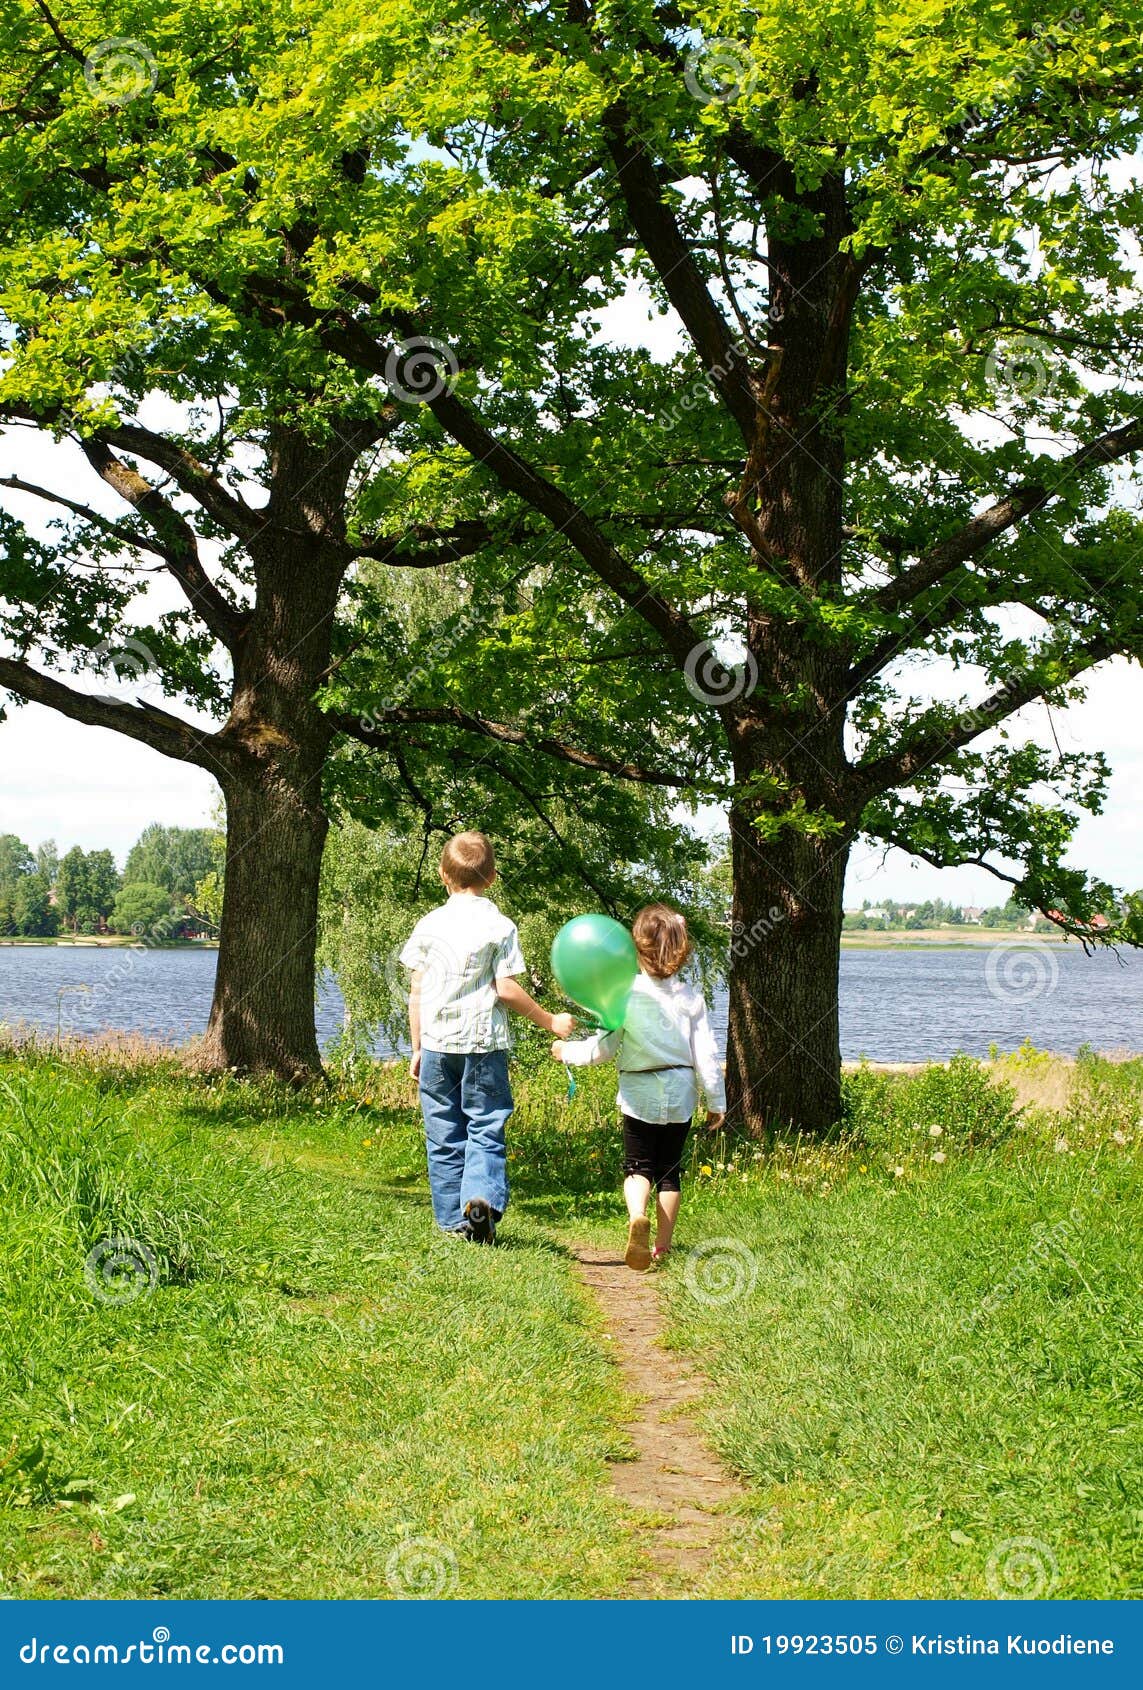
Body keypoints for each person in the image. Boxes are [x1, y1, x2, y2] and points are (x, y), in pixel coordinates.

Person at [400, 830, 576, 1244]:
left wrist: (417, 1048)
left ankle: (452, 1222)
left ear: (443, 874)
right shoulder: (500, 925)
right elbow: (506, 988)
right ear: (492, 877)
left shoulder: (429, 924)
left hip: (439, 1044)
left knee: (443, 1131)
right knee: (485, 1125)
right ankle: (479, 1196)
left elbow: (417, 992)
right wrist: (549, 1020)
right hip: (483, 1045)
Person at [552, 903, 726, 1271]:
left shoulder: (624, 994)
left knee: (638, 1166)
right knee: (669, 1172)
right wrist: (716, 1100)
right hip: (680, 1092)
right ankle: (662, 1248)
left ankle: (636, 1216)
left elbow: (603, 1049)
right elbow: (707, 1055)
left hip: (638, 1092)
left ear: (637, 949)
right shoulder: (691, 998)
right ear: (681, 950)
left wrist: (567, 1051)